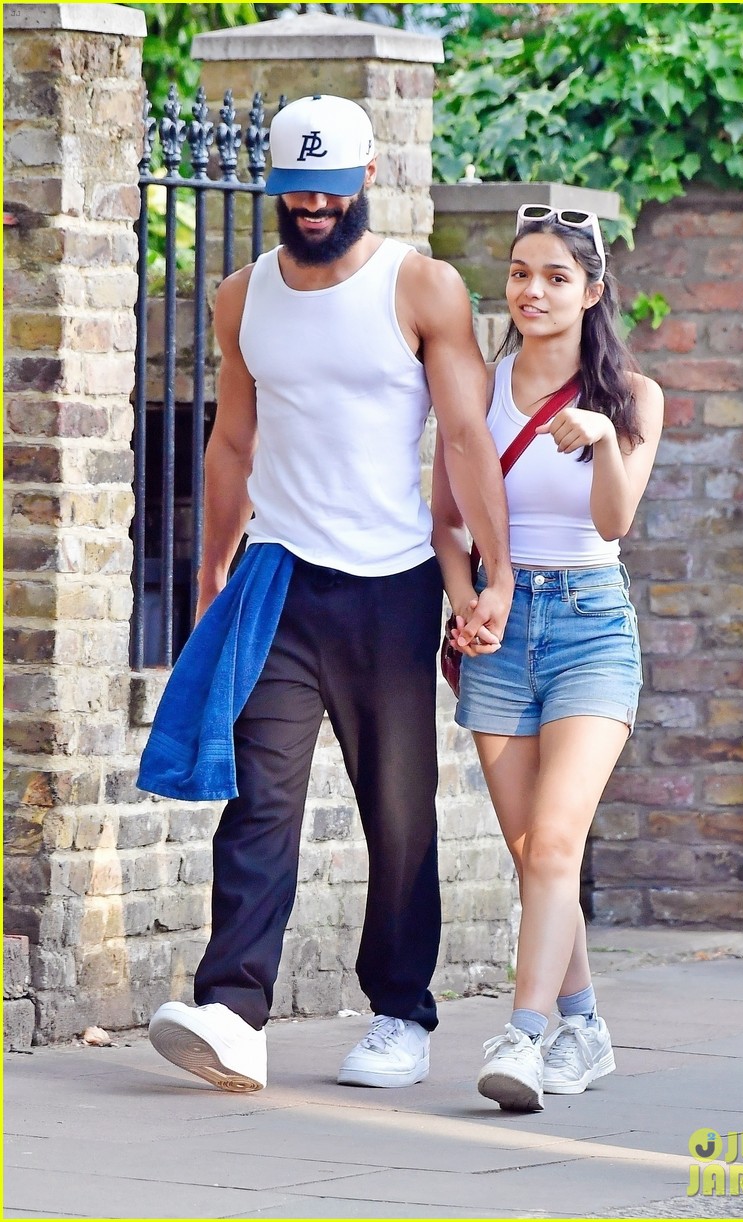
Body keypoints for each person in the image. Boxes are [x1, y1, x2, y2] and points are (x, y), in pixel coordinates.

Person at [142, 94, 513, 1093]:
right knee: (258, 800)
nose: (310, 202)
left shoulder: (419, 288)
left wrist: (494, 570)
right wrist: (212, 568)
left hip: (390, 587)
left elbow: (468, 438)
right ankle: (233, 1011)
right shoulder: (241, 297)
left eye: (328, 186)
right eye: (294, 186)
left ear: (366, 180)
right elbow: (230, 439)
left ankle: (401, 1010)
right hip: (279, 579)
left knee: (398, 809)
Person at [431, 203, 664, 1112]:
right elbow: (445, 522)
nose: (533, 290)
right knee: (532, 851)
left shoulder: (632, 399)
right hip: (499, 628)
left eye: (556, 277)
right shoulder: (477, 387)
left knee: (557, 840)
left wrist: (604, 439)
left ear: (593, 291)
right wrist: (468, 604)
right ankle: (586, 1026)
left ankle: (521, 1039)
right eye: (521, 274)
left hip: (589, 624)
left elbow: (613, 522)